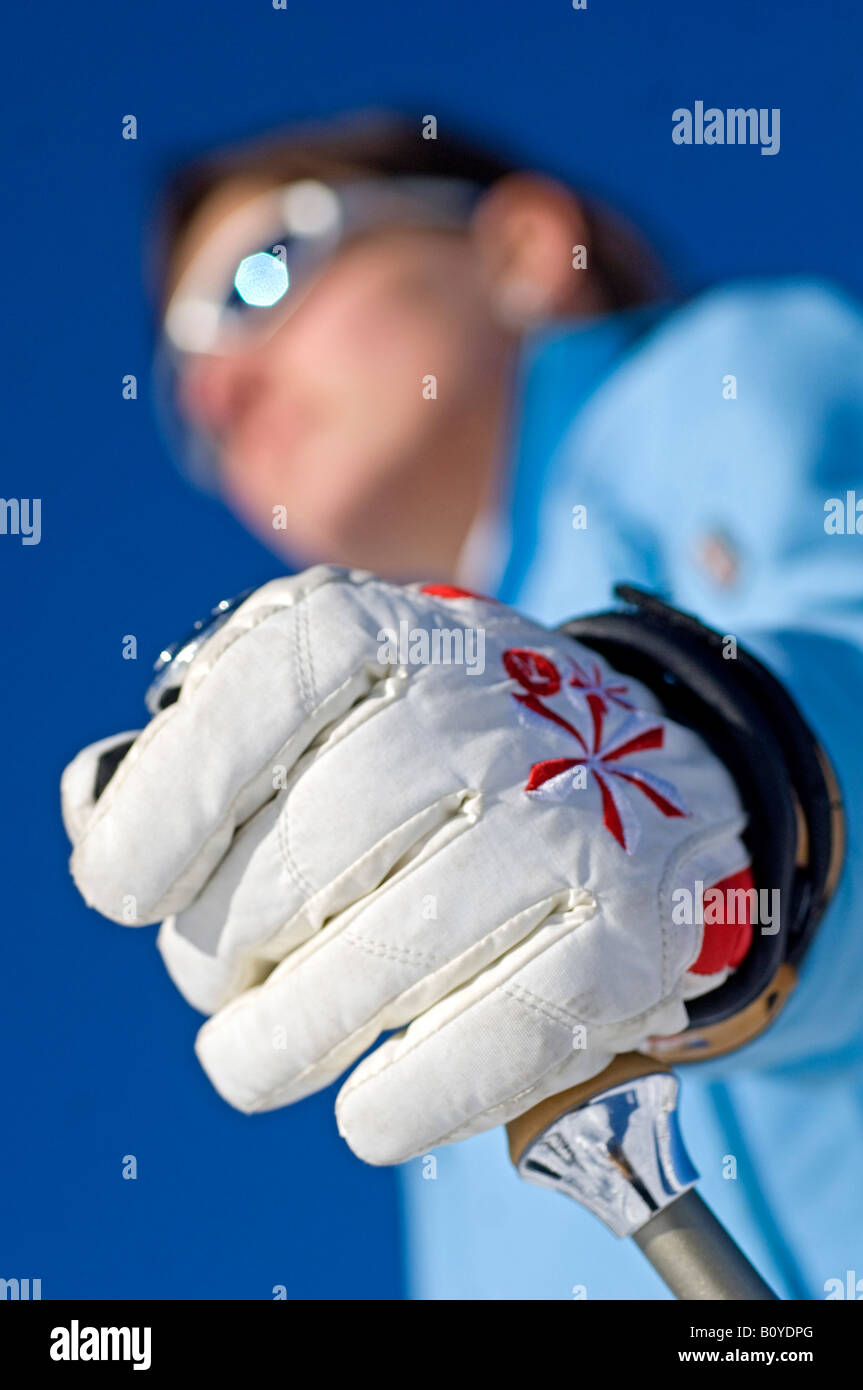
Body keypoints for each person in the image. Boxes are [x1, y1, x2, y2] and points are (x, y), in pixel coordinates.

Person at [64, 112, 863, 1299]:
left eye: (257, 278)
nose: (219, 388)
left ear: (521, 248)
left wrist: (734, 780)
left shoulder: (714, 378)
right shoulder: (422, 822)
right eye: (182, 399)